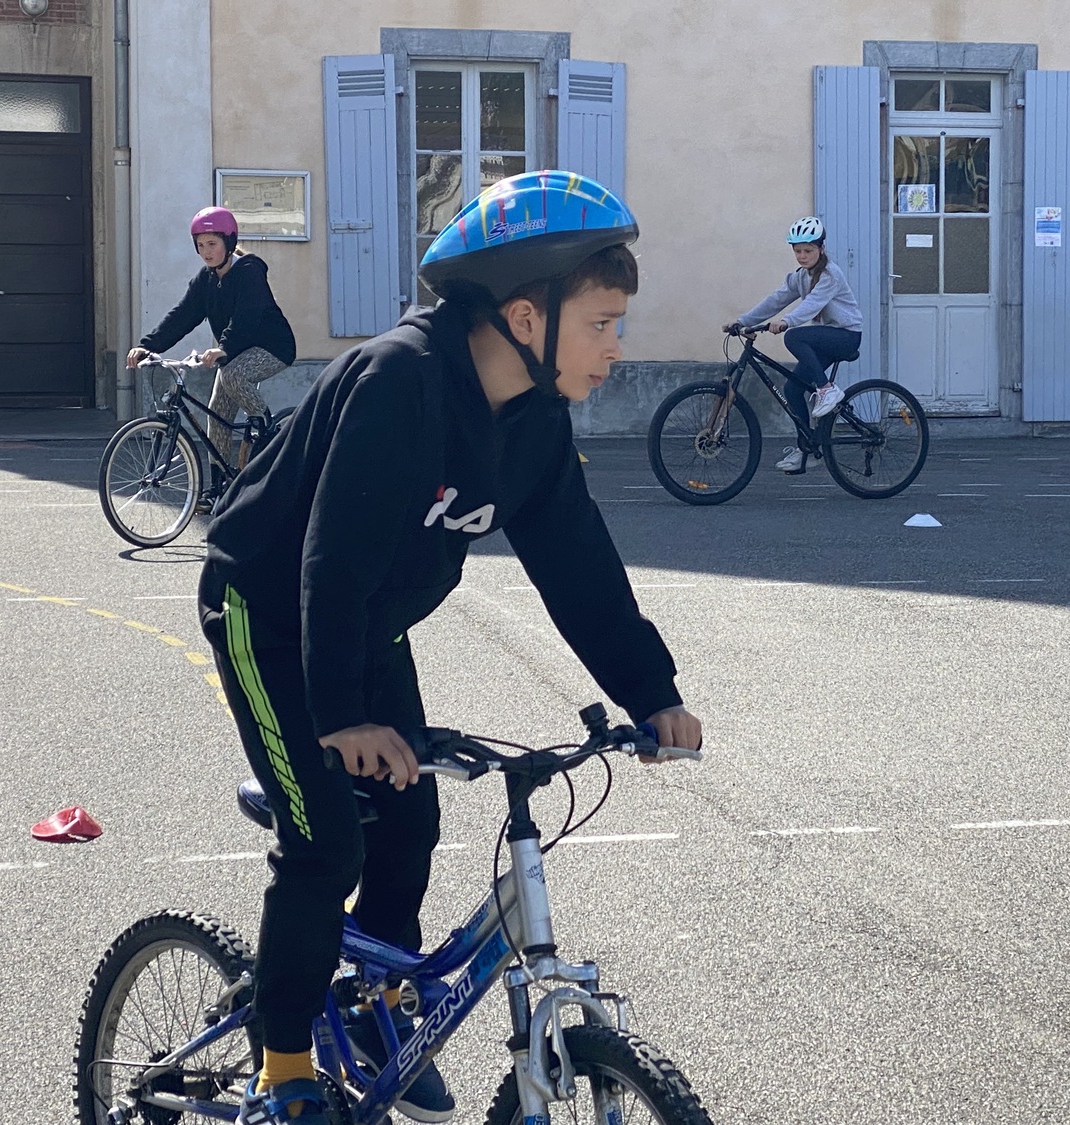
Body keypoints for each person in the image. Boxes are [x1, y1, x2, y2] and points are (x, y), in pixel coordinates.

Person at [195, 170, 703, 1125]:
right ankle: (285, 1061)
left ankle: (381, 1005)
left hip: (364, 619)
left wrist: (650, 691)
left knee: (412, 824)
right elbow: (329, 558)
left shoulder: (536, 421)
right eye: (601, 323)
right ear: (525, 315)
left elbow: (580, 567)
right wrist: (342, 716)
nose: (616, 347)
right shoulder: (402, 381)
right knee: (326, 839)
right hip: (267, 608)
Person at [127, 206, 297, 477]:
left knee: (232, 375)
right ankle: (219, 488)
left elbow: (246, 317)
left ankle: (268, 431)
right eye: (201, 245)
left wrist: (223, 348)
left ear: (228, 243)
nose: (206, 251)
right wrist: (149, 345)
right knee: (217, 414)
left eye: (213, 244)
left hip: (272, 347)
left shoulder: (250, 271)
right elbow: (181, 316)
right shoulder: (205, 281)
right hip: (233, 352)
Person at [723, 216, 864, 473]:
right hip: (824, 338)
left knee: (794, 336)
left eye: (808, 250)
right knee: (792, 389)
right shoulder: (800, 277)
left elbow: (813, 305)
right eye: (797, 251)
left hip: (846, 335)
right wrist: (741, 321)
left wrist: (787, 322)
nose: (802, 256)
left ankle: (826, 389)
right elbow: (775, 300)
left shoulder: (831, 274)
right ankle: (808, 449)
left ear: (820, 248)